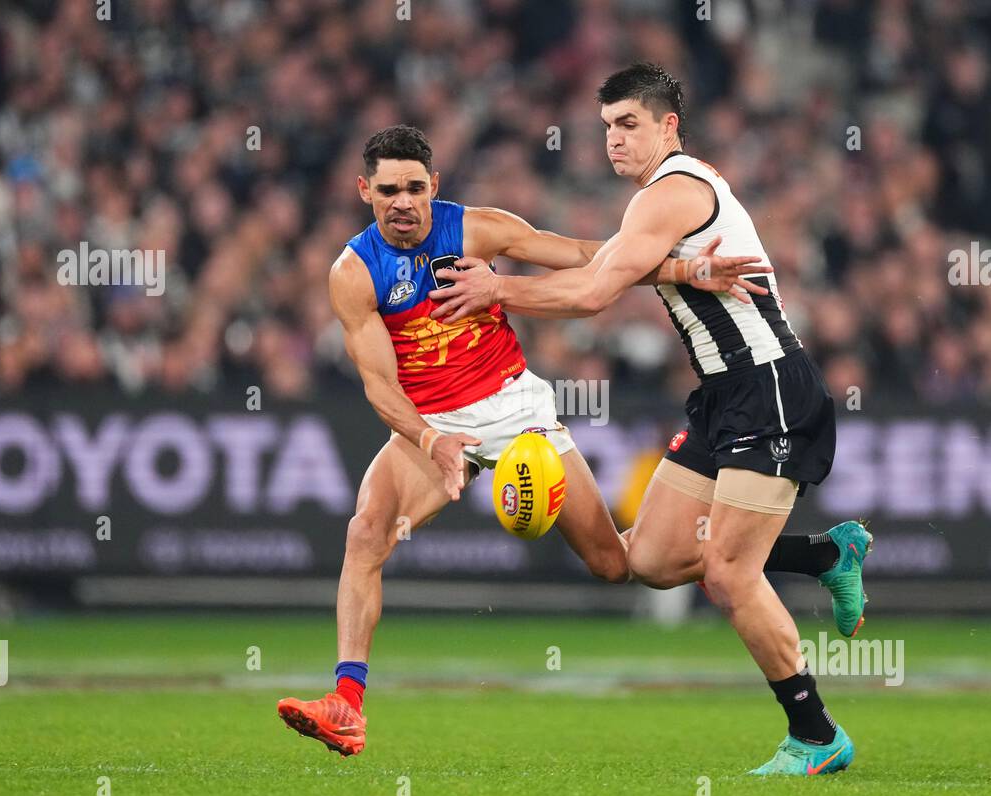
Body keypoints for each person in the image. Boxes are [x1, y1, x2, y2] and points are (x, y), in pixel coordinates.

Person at [276, 125, 774, 755]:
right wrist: (432, 442)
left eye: (412, 188)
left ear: (434, 185)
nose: (401, 201)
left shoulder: (478, 228)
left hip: (515, 409)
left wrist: (683, 268)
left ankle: (809, 556)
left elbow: (582, 255)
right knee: (366, 531)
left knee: (616, 565)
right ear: (363, 191)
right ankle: (347, 703)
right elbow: (380, 387)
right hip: (434, 422)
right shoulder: (352, 273)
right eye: (386, 190)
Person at [430, 64, 871, 776]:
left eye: (629, 123)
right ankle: (826, 555)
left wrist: (496, 290)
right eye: (606, 126)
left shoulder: (674, 190)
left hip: (770, 389)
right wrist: (684, 272)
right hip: (723, 398)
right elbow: (609, 265)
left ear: (669, 125)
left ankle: (817, 734)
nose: (614, 139)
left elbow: (597, 290)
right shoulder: (661, 200)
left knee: (728, 571)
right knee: (651, 559)